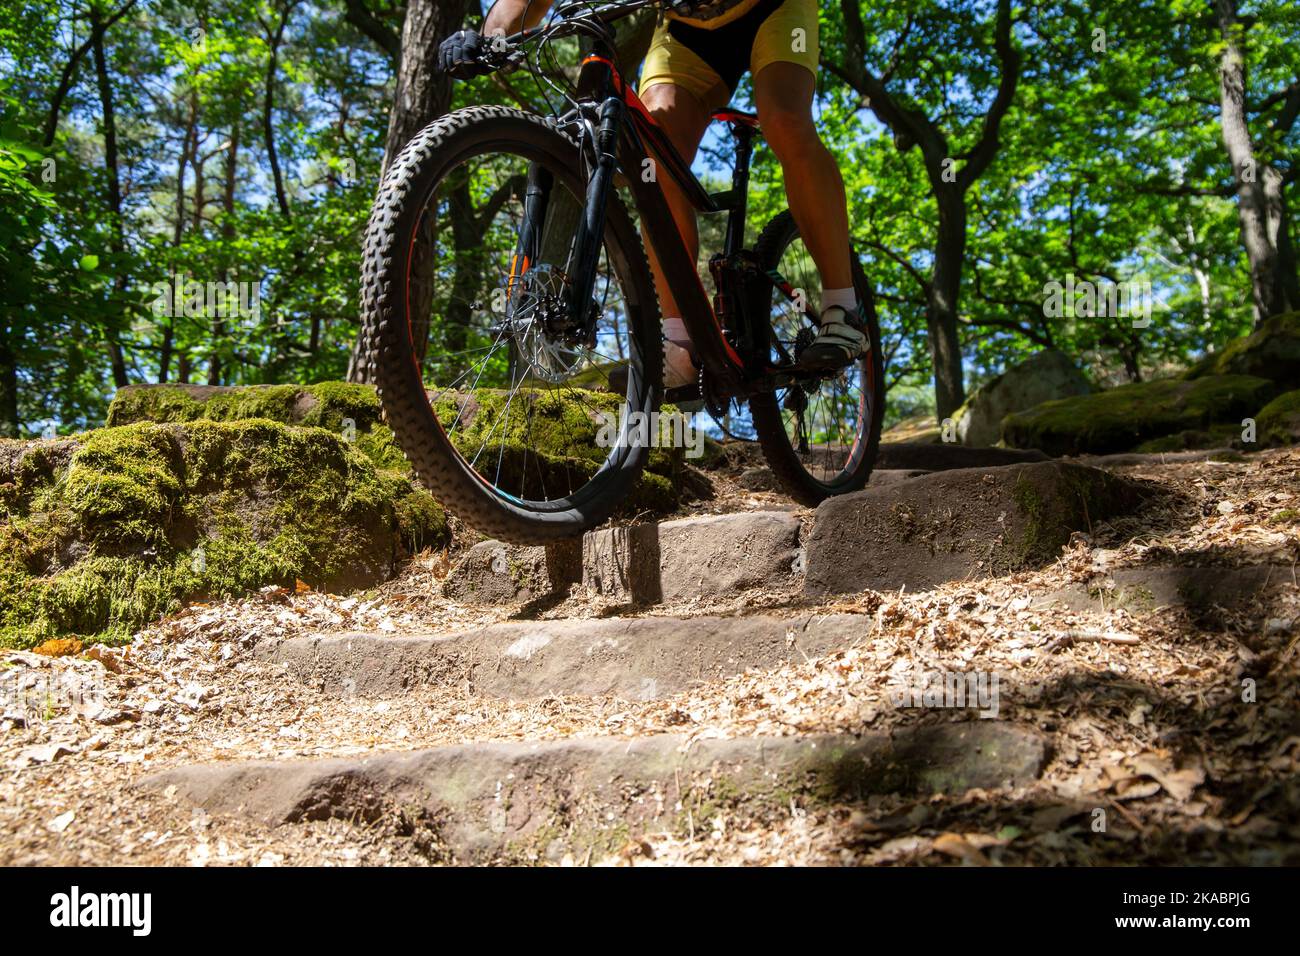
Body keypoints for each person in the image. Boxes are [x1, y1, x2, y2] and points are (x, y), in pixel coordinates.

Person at [439, 0, 865, 388]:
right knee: (653, 151)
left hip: (773, 10)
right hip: (686, 28)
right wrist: (488, 38)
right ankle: (678, 342)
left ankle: (842, 309)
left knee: (784, 118)